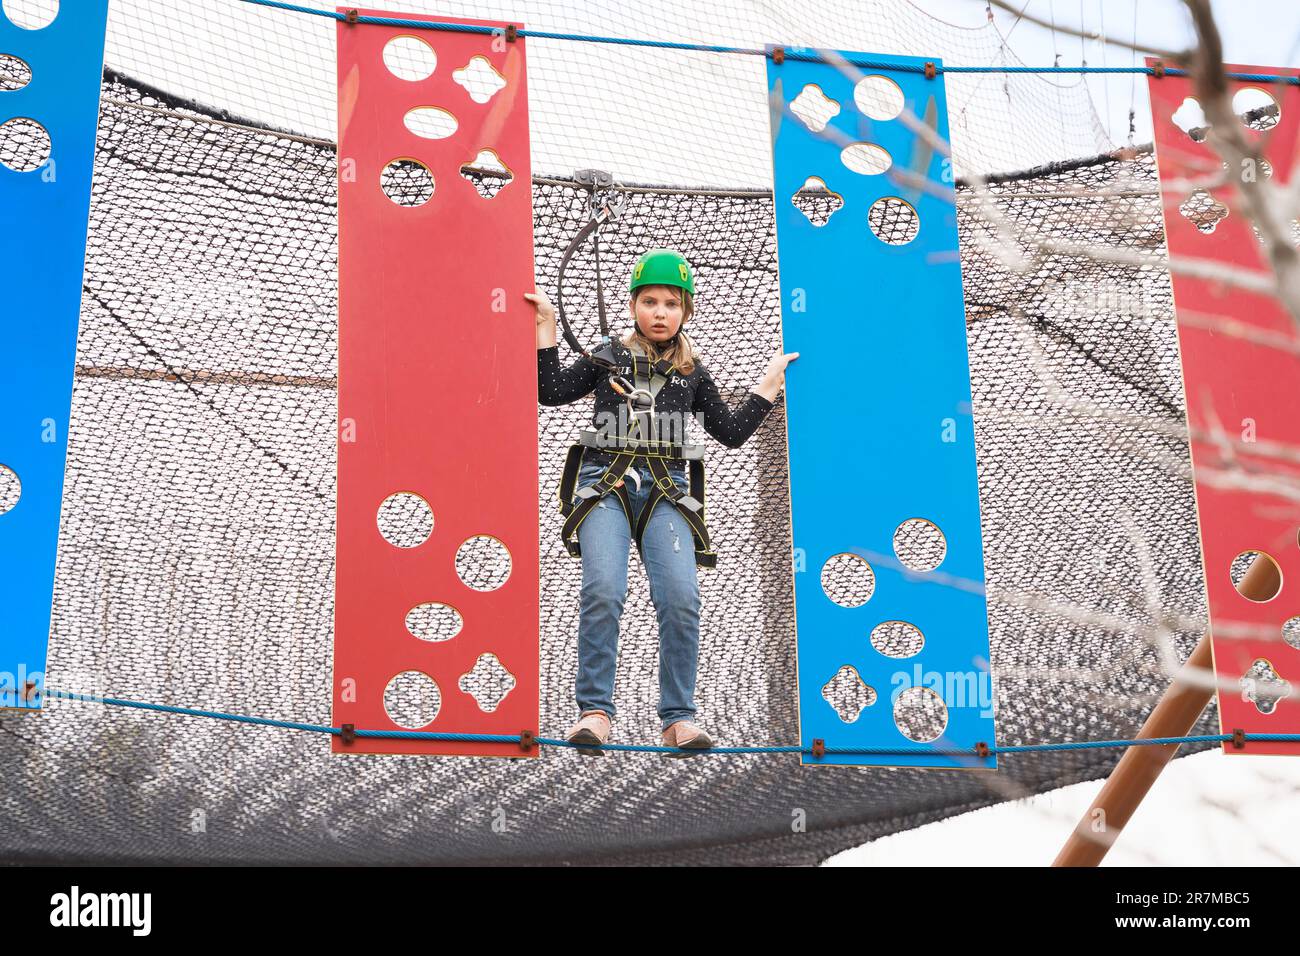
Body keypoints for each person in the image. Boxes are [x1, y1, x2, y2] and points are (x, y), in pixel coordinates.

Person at [525, 249, 797, 756]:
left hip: (666, 490)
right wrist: (546, 327)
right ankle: (595, 712)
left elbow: (730, 434)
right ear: (632, 305)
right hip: (605, 485)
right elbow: (551, 390)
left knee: (681, 599)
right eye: (649, 301)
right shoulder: (606, 357)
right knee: (604, 589)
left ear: (685, 312)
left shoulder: (692, 374)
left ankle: (678, 719)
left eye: (671, 303)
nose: (659, 312)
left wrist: (767, 386)